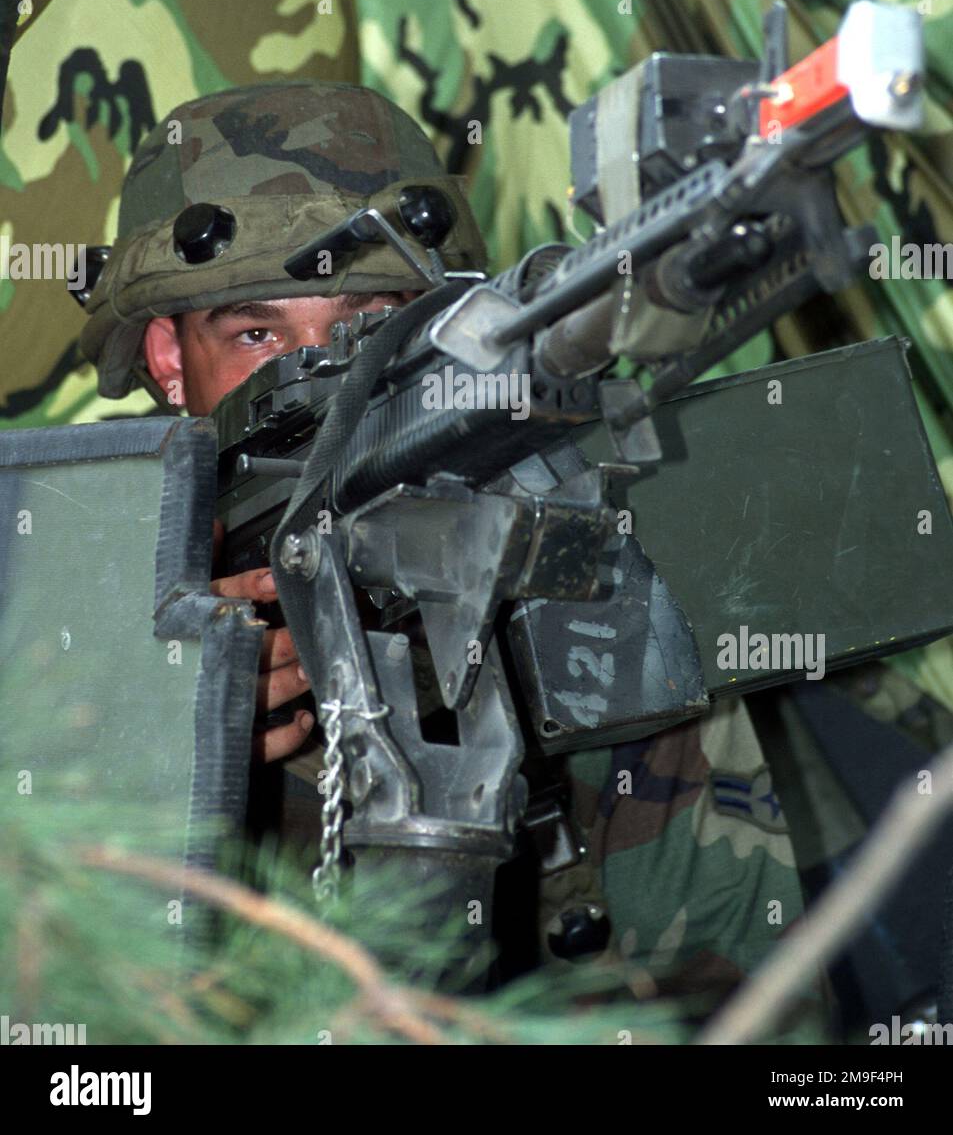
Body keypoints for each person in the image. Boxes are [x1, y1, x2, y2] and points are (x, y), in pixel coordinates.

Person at [78, 79, 822, 1031]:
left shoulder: (569, 592)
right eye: (259, 335)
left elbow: (759, 1021)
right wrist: (148, 764)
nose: (327, 375)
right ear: (170, 359)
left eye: (371, 323)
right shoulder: (61, 617)